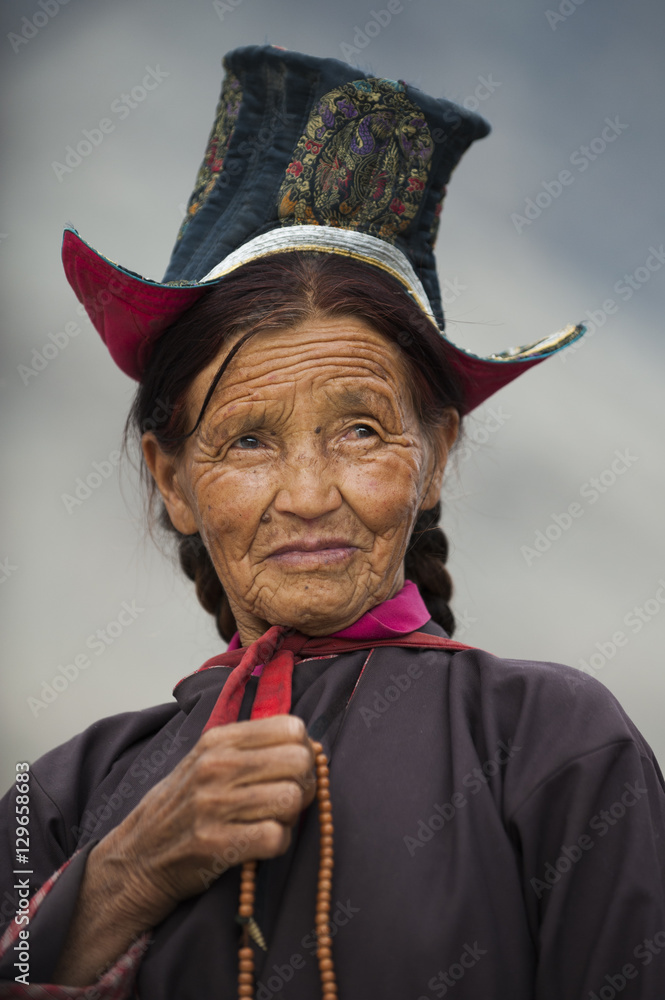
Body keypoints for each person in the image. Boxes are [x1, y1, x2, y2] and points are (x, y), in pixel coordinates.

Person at [1, 42, 663, 1000]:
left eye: (359, 430)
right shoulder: (51, 798)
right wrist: (123, 875)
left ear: (434, 456)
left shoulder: (556, 744)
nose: (309, 494)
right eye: (248, 443)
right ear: (173, 479)